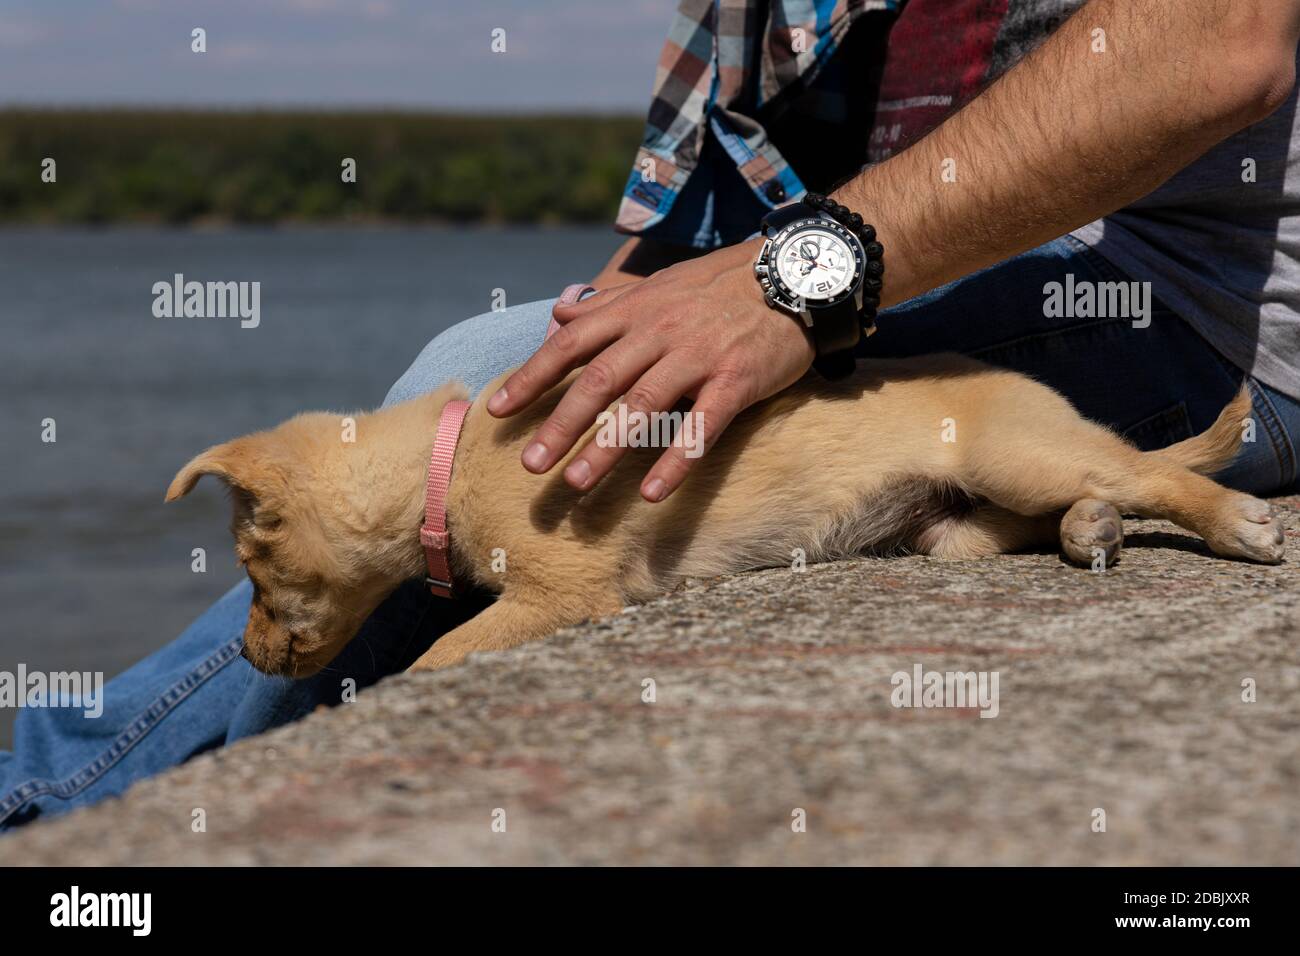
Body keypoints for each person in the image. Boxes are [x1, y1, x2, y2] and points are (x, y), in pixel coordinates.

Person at [4, 0, 1299, 829]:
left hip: (1172, 317)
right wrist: (600, 346)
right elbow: (696, 224)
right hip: (915, 280)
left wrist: (792, 278)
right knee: (504, 376)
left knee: (482, 404)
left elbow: (1222, 41)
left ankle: (57, 802)